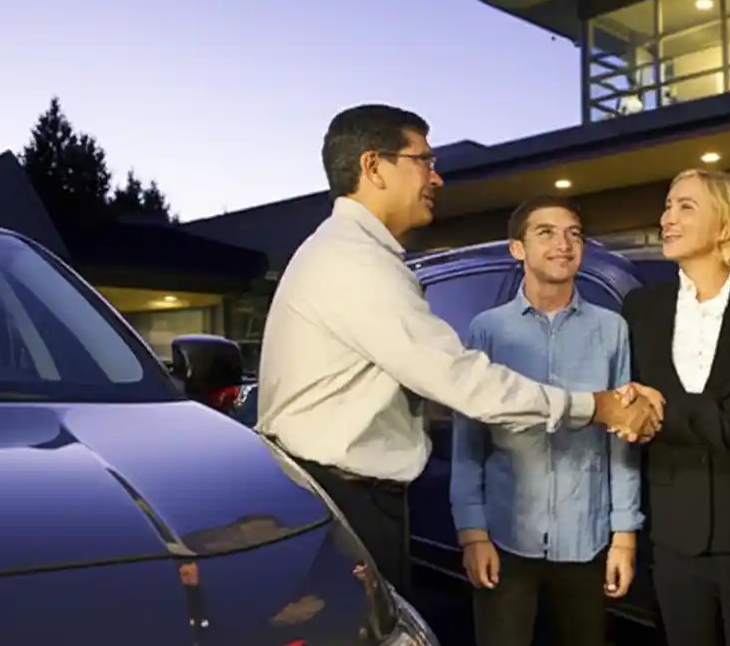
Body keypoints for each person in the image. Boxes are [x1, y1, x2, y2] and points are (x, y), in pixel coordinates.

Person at [255, 104, 664, 598]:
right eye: (424, 160)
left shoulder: (351, 255)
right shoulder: (355, 263)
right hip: (345, 502)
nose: (437, 177)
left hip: (341, 496)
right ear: (373, 166)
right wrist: (597, 406)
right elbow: (464, 383)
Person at [449, 195, 643, 646]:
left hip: (587, 539)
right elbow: (468, 441)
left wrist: (624, 537)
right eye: (547, 233)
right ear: (517, 249)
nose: (564, 244)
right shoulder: (488, 329)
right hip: (505, 536)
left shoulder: (611, 328)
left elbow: (623, 439)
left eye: (573, 234)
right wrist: (473, 534)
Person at [619, 169, 730, 646]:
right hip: (671, 537)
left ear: (727, 225)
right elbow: (626, 409)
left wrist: (664, 413)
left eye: (685, 207)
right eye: (668, 205)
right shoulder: (640, 309)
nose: (666, 219)